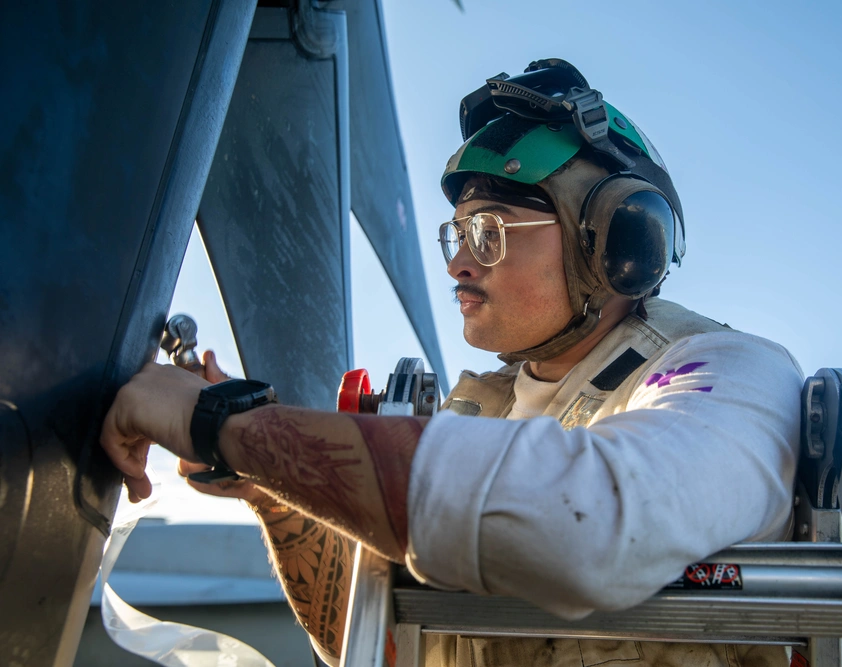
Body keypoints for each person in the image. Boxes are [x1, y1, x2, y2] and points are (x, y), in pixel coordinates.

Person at [101, 59, 803, 667]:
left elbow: (587, 525)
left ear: (614, 242)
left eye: (489, 231)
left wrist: (223, 424)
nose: (459, 263)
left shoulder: (728, 374)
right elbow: (375, 645)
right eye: (457, 233)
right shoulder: (480, 414)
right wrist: (263, 486)